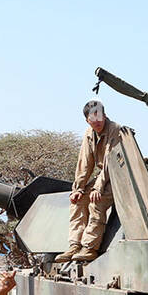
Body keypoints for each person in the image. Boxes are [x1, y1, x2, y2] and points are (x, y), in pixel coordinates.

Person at [55, 99, 125, 264]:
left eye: (100, 117)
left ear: (105, 115)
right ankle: (75, 245)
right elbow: (84, 163)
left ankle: (90, 247)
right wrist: (78, 189)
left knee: (96, 202)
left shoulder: (115, 129)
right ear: (87, 120)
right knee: (78, 201)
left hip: (120, 176)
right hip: (104, 176)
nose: (98, 122)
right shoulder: (89, 134)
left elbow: (110, 161)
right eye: (93, 119)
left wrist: (98, 188)